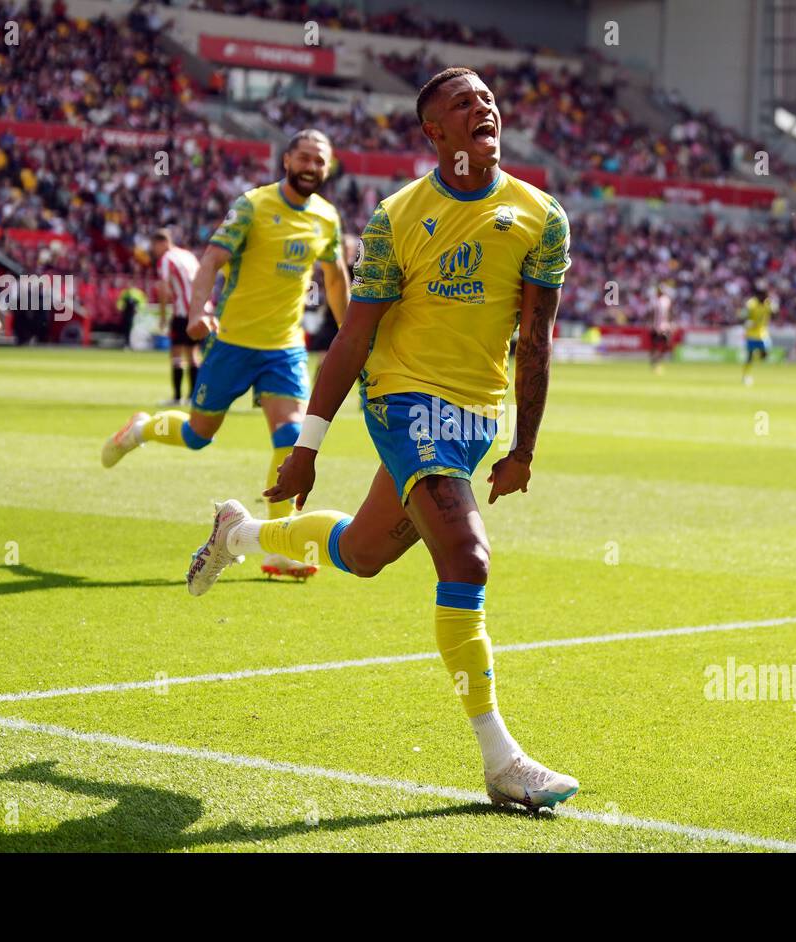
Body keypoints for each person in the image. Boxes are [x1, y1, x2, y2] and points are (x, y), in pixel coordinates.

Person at [182, 68, 579, 810]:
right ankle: (502, 759)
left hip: (475, 415)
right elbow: (354, 333)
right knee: (467, 556)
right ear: (435, 132)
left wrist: (523, 447)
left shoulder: (541, 216)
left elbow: (537, 340)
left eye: (488, 98)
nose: (483, 107)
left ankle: (238, 536)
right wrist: (308, 443)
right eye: (463, 102)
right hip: (403, 400)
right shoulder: (398, 218)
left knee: (362, 554)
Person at [102, 130, 350, 581]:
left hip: (285, 347)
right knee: (199, 434)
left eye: (321, 159)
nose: (313, 165)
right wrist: (199, 311)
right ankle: (140, 428)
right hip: (233, 341)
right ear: (287, 160)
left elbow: (334, 280)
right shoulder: (253, 206)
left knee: (291, 436)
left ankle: (276, 546)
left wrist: (351, 332)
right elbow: (212, 260)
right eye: (305, 156)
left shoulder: (327, 218)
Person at [150, 229, 201, 406]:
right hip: (198, 309)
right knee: (193, 354)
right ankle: (193, 397)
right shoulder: (188, 255)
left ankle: (177, 397)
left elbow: (163, 288)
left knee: (177, 354)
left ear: (162, 242)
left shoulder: (166, 259)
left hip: (181, 312)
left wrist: (163, 315)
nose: (154, 250)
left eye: (154, 246)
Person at [741, 283, 774, 385]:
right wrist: (747, 321)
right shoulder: (751, 304)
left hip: (762, 333)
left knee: (765, 355)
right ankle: (746, 376)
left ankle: (757, 355)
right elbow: (743, 315)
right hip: (751, 334)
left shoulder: (768, 303)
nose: (765, 298)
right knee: (749, 356)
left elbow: (773, 313)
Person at [648, 282, 673, 373]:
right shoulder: (654, 300)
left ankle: (657, 360)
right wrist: (653, 325)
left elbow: (669, 313)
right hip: (656, 326)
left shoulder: (666, 300)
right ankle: (654, 361)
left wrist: (670, 323)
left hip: (664, 326)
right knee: (655, 344)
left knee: (666, 344)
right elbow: (652, 313)